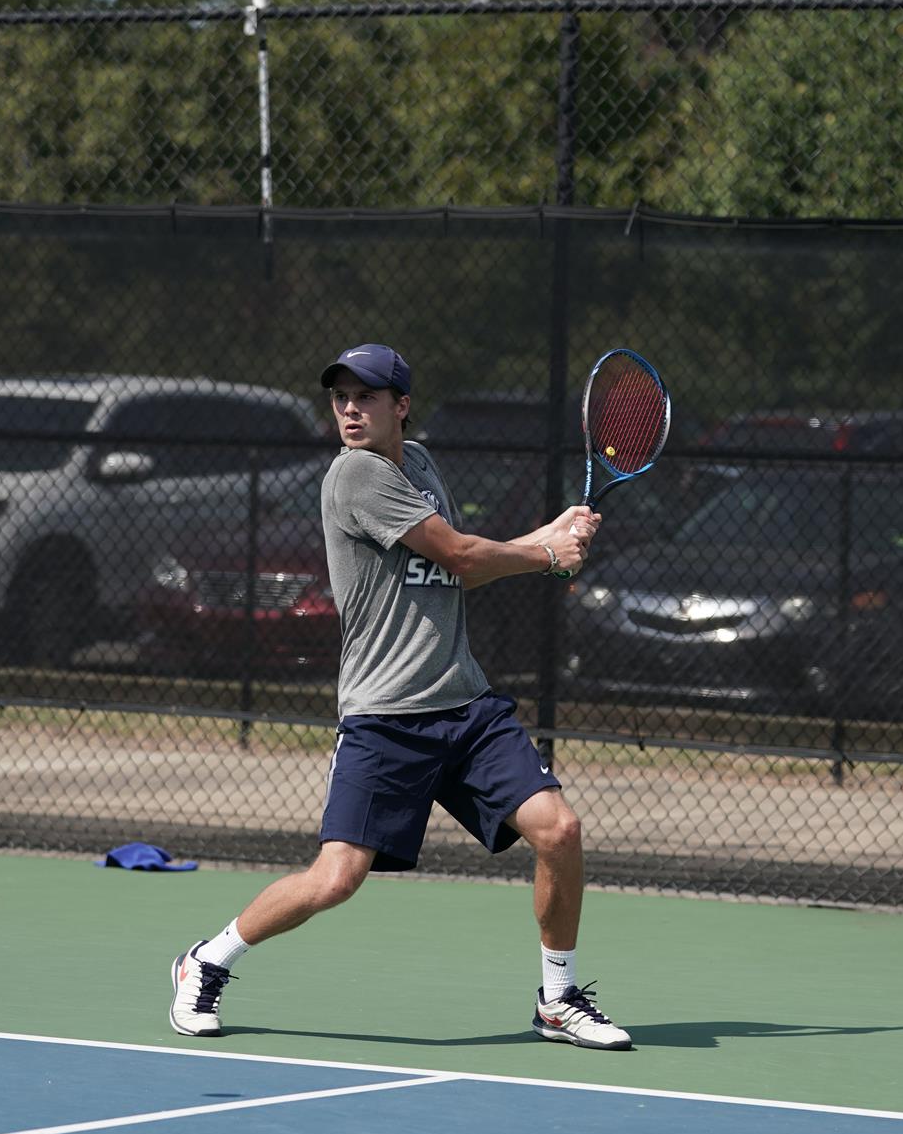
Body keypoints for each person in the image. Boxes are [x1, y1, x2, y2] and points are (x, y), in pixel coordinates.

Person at [167, 343, 632, 1050]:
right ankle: (205, 961)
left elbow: (465, 563)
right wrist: (545, 554)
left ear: (401, 405)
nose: (350, 410)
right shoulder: (354, 476)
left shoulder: (419, 466)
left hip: (466, 707)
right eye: (341, 398)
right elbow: (462, 556)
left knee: (559, 830)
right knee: (336, 879)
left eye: (367, 396)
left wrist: (553, 532)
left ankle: (559, 997)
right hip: (385, 718)